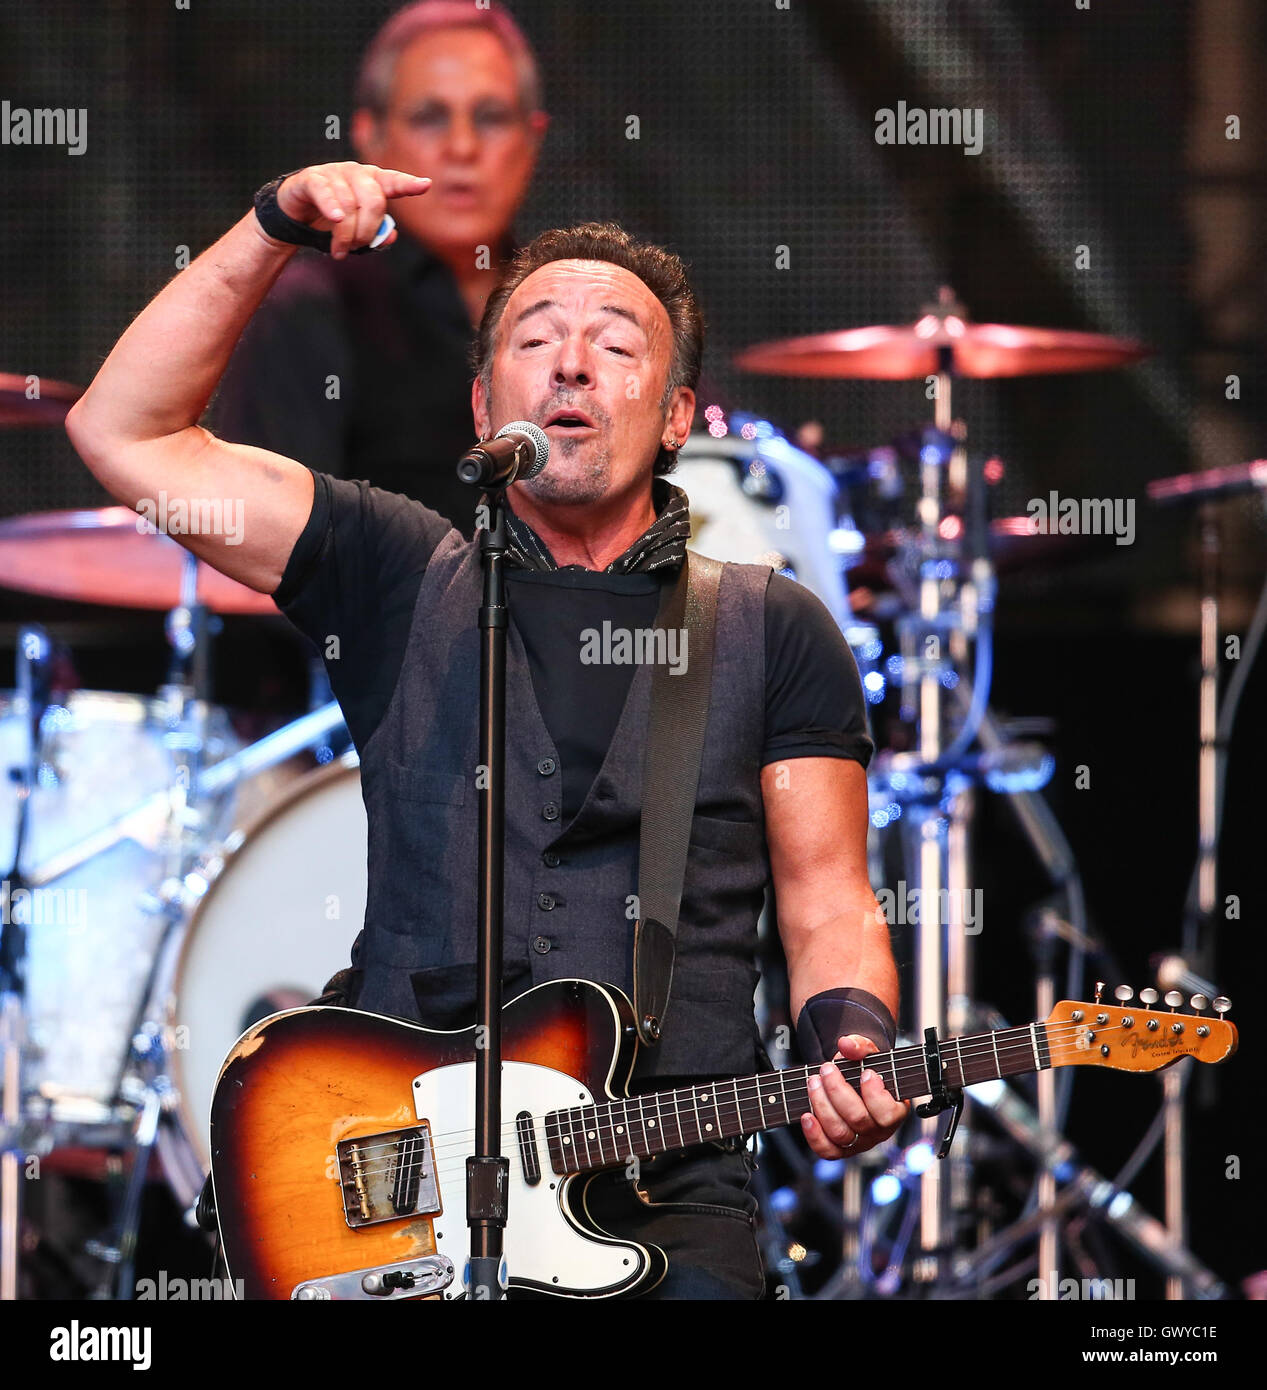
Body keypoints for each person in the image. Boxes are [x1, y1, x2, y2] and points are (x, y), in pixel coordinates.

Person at [66, 161, 908, 1300]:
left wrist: (851, 1037)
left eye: (616, 343)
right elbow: (128, 433)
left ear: (673, 416)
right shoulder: (393, 568)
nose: (571, 359)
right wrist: (272, 226)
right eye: (534, 338)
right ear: (482, 406)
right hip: (392, 1185)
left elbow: (829, 901)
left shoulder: (771, 630)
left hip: (670, 1192)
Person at [212, 2, 548, 531]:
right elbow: (268, 550)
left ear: (532, 139)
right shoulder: (308, 309)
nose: (462, 147)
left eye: (491, 118)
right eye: (428, 118)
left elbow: (703, 457)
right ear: (370, 137)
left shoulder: (576, 302)